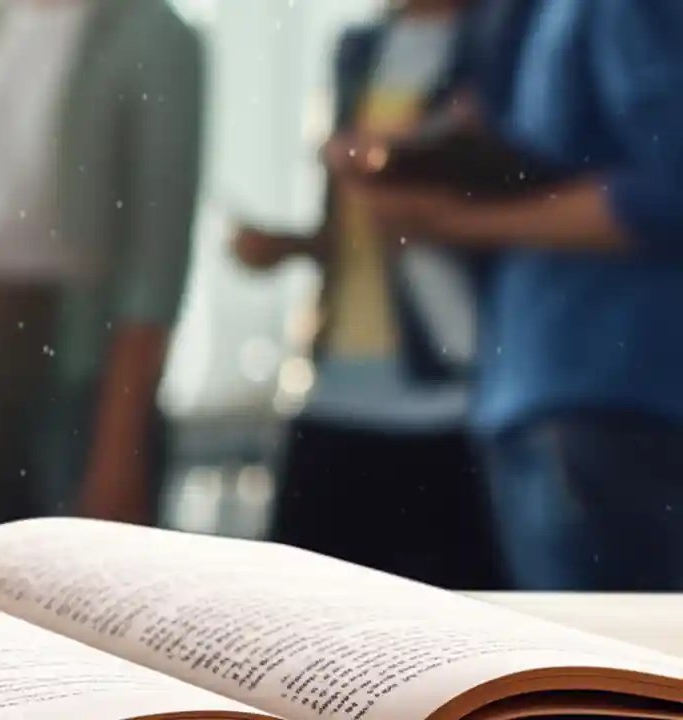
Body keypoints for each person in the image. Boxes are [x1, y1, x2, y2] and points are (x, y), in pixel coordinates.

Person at [334, 0, 683, 590]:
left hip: (606, 397)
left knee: (606, 672)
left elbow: (669, 194)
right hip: (543, 391)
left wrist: (452, 221)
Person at [233, 0, 500, 589]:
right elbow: (352, 219)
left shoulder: (498, 42)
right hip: (333, 382)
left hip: (449, 384)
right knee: (303, 614)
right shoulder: (360, 46)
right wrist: (288, 246)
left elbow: (506, 191)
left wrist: (428, 202)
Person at [0, 0, 203, 545]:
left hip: (93, 351)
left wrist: (119, 449)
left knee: (80, 581)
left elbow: (157, 260)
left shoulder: (153, 33)